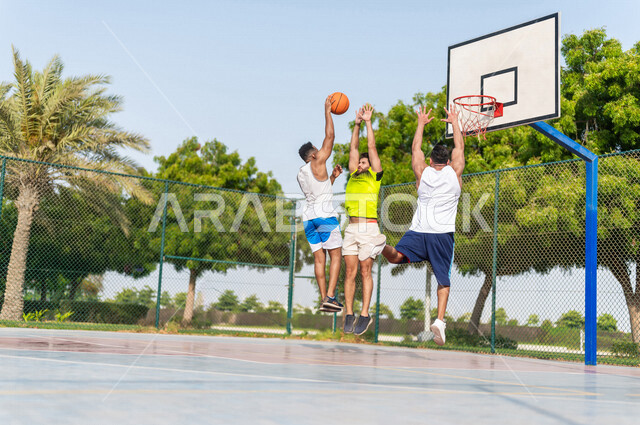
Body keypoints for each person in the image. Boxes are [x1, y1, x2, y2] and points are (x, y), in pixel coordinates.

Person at [380, 104, 464, 345]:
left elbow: (415, 148)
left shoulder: (422, 172)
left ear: (429, 160)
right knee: (444, 281)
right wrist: (454, 122)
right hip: (442, 235)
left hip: (418, 231)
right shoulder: (454, 172)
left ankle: (382, 244)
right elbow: (460, 147)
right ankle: (439, 321)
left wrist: (421, 123)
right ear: (448, 162)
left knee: (395, 257)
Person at [297, 95, 345, 312]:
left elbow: (318, 191)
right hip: (324, 215)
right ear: (314, 154)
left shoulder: (301, 173)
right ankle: (331, 296)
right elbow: (331, 136)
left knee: (319, 259)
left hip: (308, 218)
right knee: (337, 255)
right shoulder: (318, 160)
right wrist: (327, 111)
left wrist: (332, 177)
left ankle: (323, 299)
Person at [342, 104, 386, 335]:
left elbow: (370, 146)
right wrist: (356, 124)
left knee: (364, 272)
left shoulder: (374, 177)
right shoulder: (352, 175)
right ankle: (349, 313)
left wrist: (368, 122)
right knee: (349, 273)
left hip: (369, 228)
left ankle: (365, 314)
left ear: (371, 166)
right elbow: (354, 146)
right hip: (350, 229)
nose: (360, 164)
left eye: (364, 162)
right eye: (359, 162)